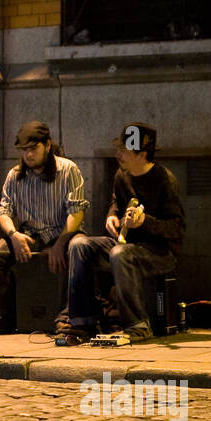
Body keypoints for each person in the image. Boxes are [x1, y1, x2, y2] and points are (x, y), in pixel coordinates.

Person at [62, 122, 184, 343]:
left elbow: (177, 228)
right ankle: (82, 321)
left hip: (160, 252)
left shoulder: (164, 180)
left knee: (120, 254)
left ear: (142, 154)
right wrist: (112, 215)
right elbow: (117, 202)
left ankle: (137, 325)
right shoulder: (122, 175)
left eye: (124, 151)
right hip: (126, 243)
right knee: (79, 245)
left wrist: (145, 222)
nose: (118, 154)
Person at [0, 121, 88, 334]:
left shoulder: (68, 169)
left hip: (63, 233)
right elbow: (3, 211)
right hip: (29, 235)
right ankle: (10, 316)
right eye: (24, 151)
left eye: (33, 149)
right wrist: (13, 235)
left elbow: (76, 212)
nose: (28, 155)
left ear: (47, 145)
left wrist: (60, 243)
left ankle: (68, 317)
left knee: (80, 247)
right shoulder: (15, 175)